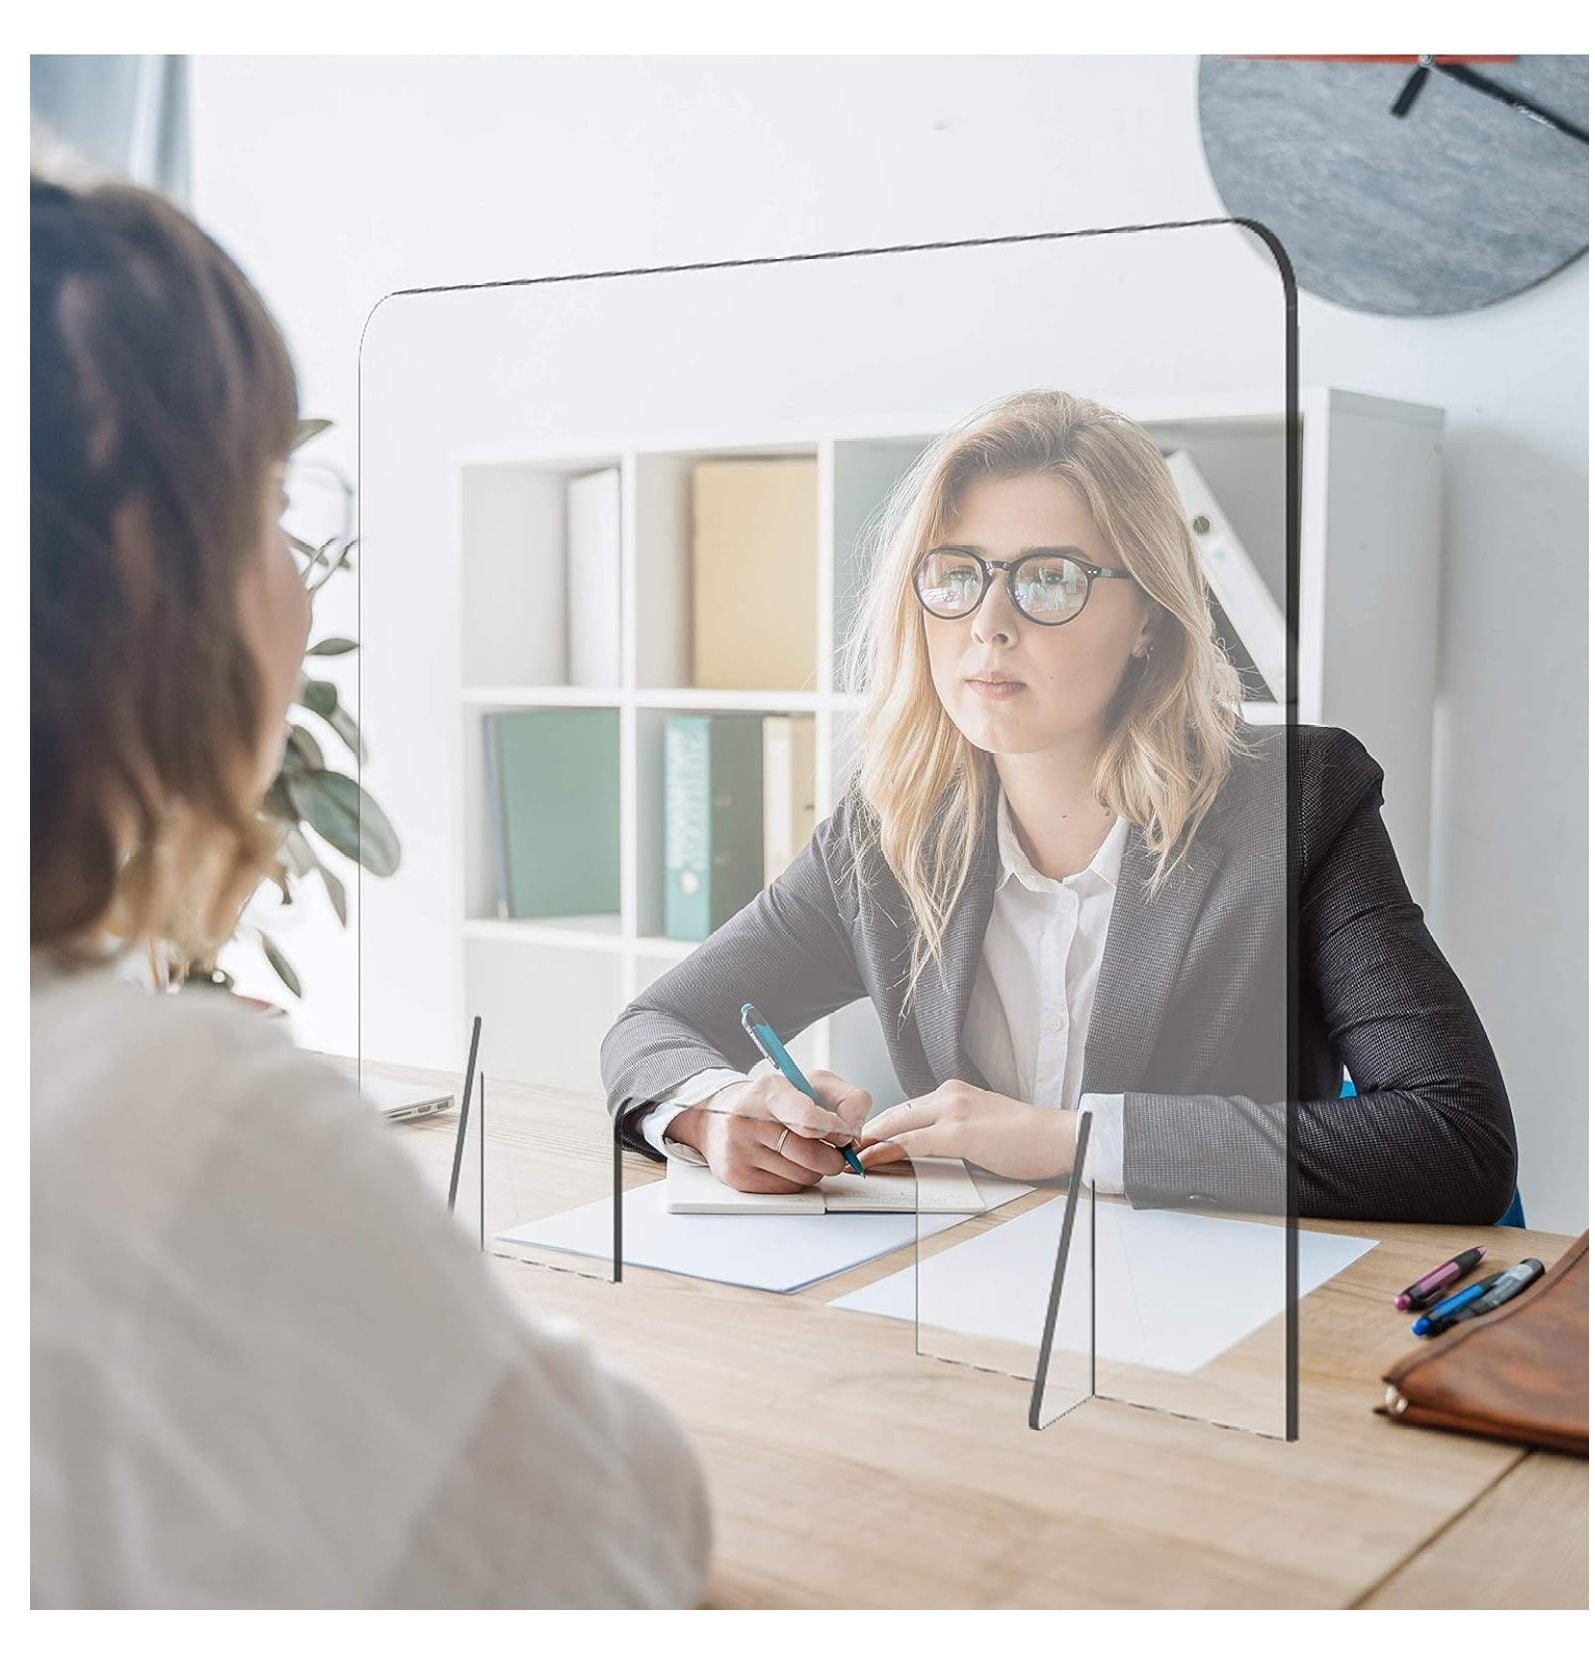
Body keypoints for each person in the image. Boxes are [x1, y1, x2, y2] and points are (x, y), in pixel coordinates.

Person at [31, 170, 709, 1608]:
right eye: (270, 501)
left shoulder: (1307, 794)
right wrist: (706, 1099)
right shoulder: (177, 1116)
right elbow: (606, 1544)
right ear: (155, 572)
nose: (302, 575)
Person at [602, 389, 1518, 1223]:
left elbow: (1455, 1139)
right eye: (956, 574)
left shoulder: (1298, 805)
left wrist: (1065, 1140)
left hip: (1221, 1325)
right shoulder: (887, 831)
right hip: (980, 1302)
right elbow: (655, 1028)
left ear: (1150, 617)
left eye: (1049, 580)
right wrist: (712, 1113)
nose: (987, 624)